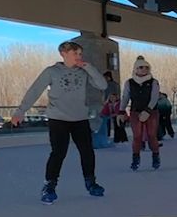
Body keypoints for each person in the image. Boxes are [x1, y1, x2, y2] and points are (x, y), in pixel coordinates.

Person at [12, 41, 108, 203]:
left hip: (80, 118)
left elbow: (102, 84)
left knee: (87, 151)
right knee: (58, 152)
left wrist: (89, 67)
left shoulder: (84, 72)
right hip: (58, 119)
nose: (79, 56)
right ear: (64, 54)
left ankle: (91, 182)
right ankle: (49, 185)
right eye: (75, 53)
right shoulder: (52, 72)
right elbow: (35, 90)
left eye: (80, 54)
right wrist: (21, 110)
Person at [121, 56, 161, 170]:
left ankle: (156, 156)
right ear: (135, 69)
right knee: (137, 136)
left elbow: (154, 97)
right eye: (141, 67)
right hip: (135, 112)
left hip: (151, 112)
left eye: (146, 67)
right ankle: (135, 159)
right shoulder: (129, 82)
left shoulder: (153, 82)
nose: (144, 69)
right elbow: (125, 97)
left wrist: (148, 110)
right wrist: (121, 110)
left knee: (152, 135)